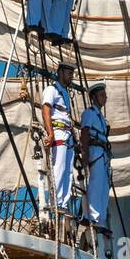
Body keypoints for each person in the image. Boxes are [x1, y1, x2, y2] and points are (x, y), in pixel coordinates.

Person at [40, 61, 78, 212]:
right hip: (59, 132)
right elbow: (45, 110)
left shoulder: (65, 93)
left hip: (67, 134)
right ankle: (55, 202)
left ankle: (62, 203)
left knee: (68, 171)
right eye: (69, 74)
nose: (71, 77)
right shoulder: (52, 89)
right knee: (59, 168)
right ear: (61, 72)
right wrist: (50, 133)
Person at [79, 81, 111, 233]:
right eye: (101, 95)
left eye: (104, 94)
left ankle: (101, 219)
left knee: (104, 187)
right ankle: (91, 216)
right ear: (94, 97)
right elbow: (84, 132)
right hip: (95, 151)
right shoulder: (89, 113)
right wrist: (84, 154)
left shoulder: (102, 118)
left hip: (103, 153)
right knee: (96, 184)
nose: (105, 97)